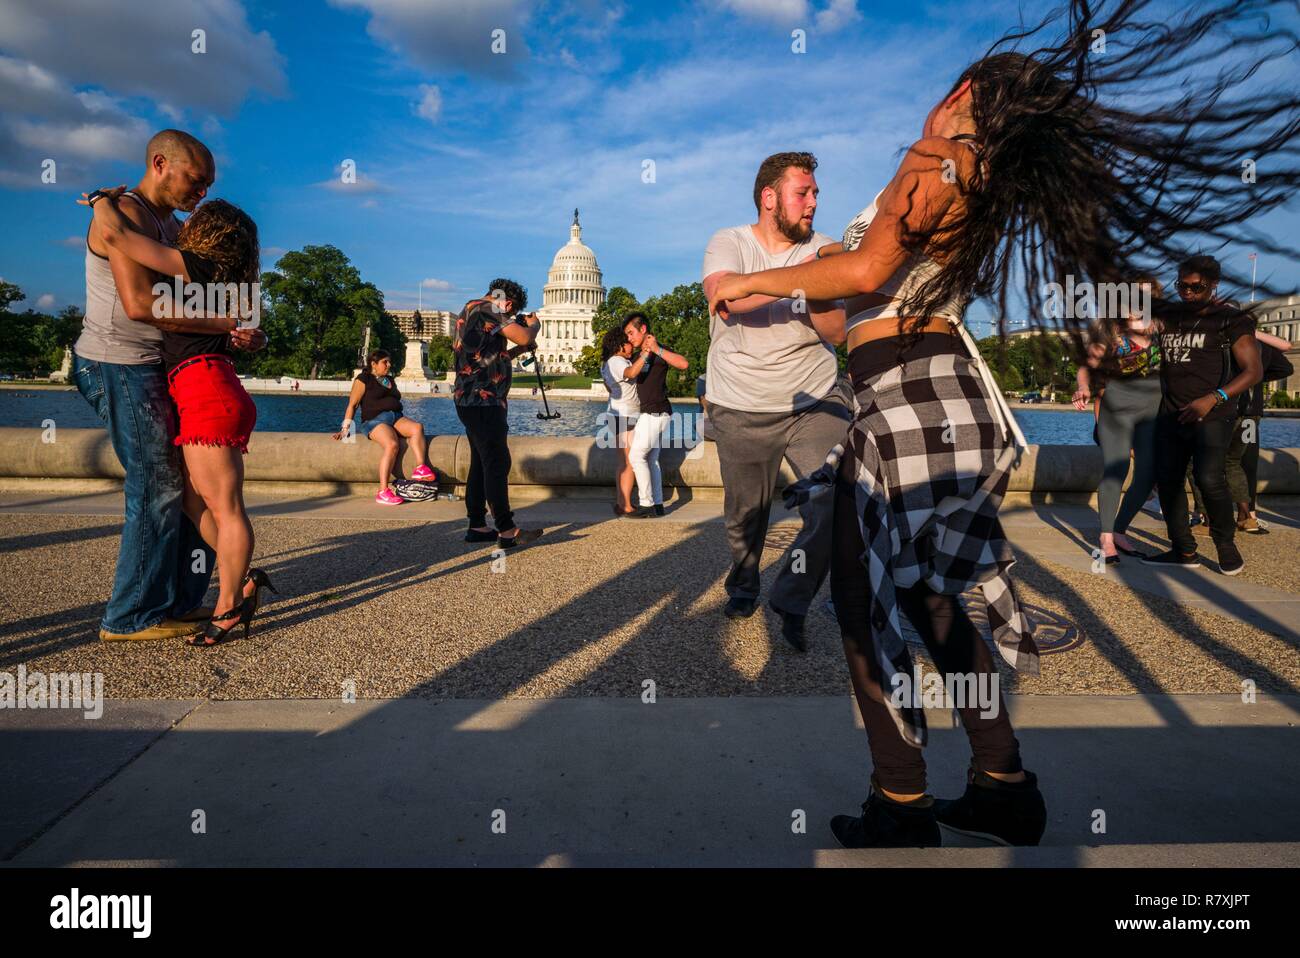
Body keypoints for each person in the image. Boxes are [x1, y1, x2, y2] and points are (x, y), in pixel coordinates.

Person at [709, 0, 1300, 846]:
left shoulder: (937, 154)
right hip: (943, 392)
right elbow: (872, 303)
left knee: (859, 594)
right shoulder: (982, 176)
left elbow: (872, 265)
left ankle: (902, 802)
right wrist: (814, 295)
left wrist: (755, 286)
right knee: (931, 595)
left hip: (906, 398)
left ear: (960, 94)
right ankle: (1002, 784)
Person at [71, 129, 263, 642]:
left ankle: (181, 600)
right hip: (117, 361)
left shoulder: (173, 228)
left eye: (208, 187)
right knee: (159, 487)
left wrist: (97, 201)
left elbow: (194, 294)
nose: (202, 193)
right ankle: (132, 616)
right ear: (160, 163)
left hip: (158, 367)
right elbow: (139, 305)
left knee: (182, 490)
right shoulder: (128, 213)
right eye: (196, 181)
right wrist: (228, 326)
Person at [700, 151, 851, 651]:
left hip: (814, 397)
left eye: (815, 195)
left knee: (836, 500)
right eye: (802, 193)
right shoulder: (729, 241)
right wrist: (806, 278)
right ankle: (744, 584)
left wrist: (808, 277)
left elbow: (837, 331)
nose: (812, 204)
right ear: (770, 198)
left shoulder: (827, 248)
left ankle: (793, 594)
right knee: (746, 515)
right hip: (740, 400)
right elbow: (728, 300)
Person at [1144, 255, 1262, 574]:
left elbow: (1253, 370)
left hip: (1213, 412)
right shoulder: (1168, 315)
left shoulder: (1230, 320)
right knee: (1168, 480)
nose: (1188, 292)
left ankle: (1225, 544)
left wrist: (1214, 397)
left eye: (1196, 287)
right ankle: (1183, 550)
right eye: (1181, 285)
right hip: (1171, 413)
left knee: (1209, 478)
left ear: (1213, 285)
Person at [1071, 276, 1165, 562]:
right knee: (1117, 469)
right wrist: (1083, 386)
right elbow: (1087, 365)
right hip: (1117, 408)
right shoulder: (1110, 330)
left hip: (1153, 409)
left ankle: (1120, 529)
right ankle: (1106, 536)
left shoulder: (1162, 328)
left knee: (1148, 474)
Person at [452, 279, 544, 548]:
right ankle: (507, 530)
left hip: (469, 399)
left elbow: (486, 360)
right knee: (496, 462)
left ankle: (478, 526)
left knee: (481, 463)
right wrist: (533, 326)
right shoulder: (489, 309)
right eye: (512, 314)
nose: (511, 318)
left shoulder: (472, 310)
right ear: (509, 303)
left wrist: (518, 351)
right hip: (484, 401)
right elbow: (525, 334)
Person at [333, 349, 436, 505]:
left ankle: (420, 468)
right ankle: (383, 491)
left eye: (389, 361)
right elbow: (352, 405)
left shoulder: (389, 379)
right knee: (392, 444)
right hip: (374, 420)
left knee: (417, 428)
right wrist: (346, 428)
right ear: (373, 364)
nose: (389, 364)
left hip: (395, 417)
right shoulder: (363, 379)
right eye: (384, 362)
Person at [622, 312, 690, 518]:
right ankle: (658, 504)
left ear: (643, 330)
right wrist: (644, 353)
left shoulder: (660, 350)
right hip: (650, 412)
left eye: (631, 333)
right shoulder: (637, 355)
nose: (629, 338)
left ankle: (646, 503)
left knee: (636, 456)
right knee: (652, 459)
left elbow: (683, 364)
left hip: (657, 412)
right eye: (627, 335)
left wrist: (657, 349)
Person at [1230, 330, 1293, 533]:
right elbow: (1285, 366)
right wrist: (1258, 376)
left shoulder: (1218, 342)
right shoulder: (1260, 347)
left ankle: (1205, 517)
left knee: (1211, 461)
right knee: (1248, 462)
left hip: (1222, 412)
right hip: (1250, 414)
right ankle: (1249, 516)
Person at [600, 327, 640, 516]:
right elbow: (631, 373)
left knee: (624, 462)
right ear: (619, 345)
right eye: (628, 342)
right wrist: (646, 354)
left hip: (618, 414)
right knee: (628, 462)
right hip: (624, 415)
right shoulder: (617, 361)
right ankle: (625, 505)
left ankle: (621, 502)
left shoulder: (609, 363)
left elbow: (609, 389)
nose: (631, 344)